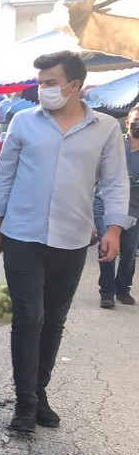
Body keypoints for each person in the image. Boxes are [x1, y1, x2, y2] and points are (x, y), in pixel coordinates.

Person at [0, 50, 134, 433]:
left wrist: (114, 228)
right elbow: (4, 176)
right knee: (27, 318)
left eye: (50, 83)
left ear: (74, 86)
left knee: (53, 321)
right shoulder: (23, 122)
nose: (43, 90)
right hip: (22, 234)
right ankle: (24, 404)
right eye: (40, 83)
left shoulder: (104, 129)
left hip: (71, 238)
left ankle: (39, 392)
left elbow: (116, 182)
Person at [93, 105, 139, 309]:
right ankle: (107, 292)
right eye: (136, 120)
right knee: (106, 246)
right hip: (105, 205)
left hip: (135, 209)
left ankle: (123, 289)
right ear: (127, 122)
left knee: (129, 252)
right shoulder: (112, 144)